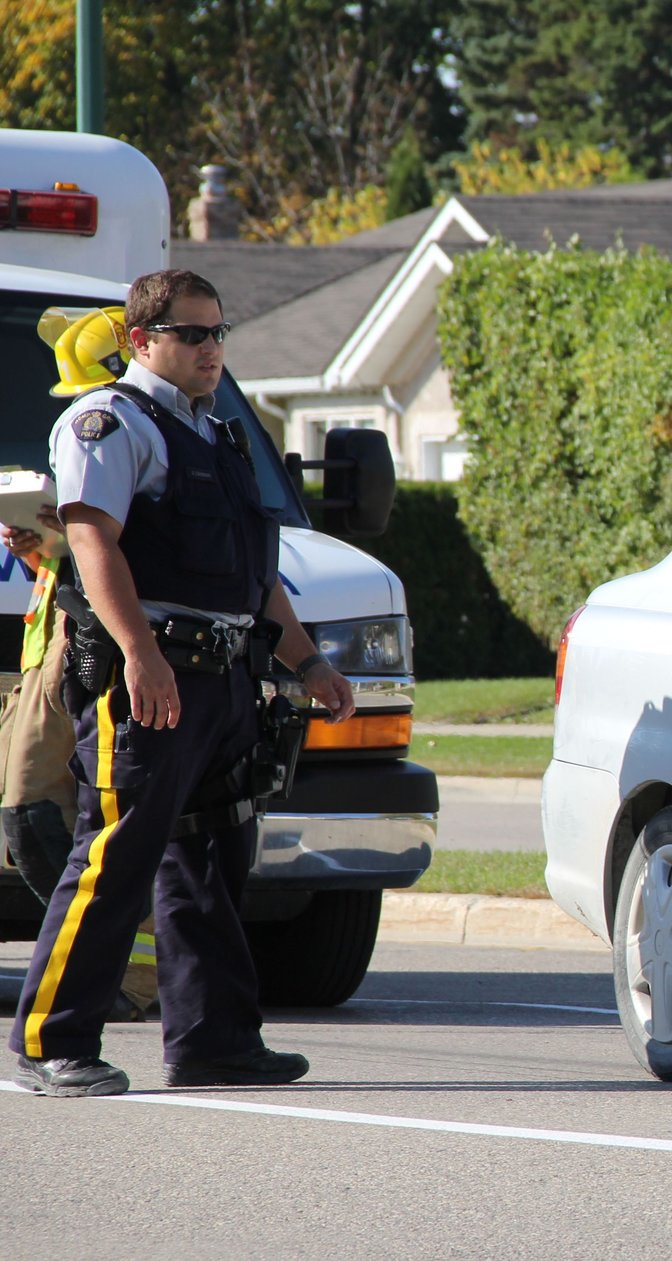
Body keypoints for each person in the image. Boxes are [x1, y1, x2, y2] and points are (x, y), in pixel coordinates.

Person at [9, 269, 355, 1098]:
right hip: (153, 674)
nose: (211, 349)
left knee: (211, 862)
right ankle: (52, 1040)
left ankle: (214, 1041)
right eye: (192, 334)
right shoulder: (108, 422)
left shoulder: (217, 431)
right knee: (115, 856)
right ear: (143, 340)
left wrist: (308, 662)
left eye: (219, 332)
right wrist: (139, 651)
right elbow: (92, 542)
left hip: (225, 677)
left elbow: (257, 574)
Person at [1, 308, 157, 1023]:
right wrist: (42, 544)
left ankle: (131, 979)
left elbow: (130, 547)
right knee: (40, 820)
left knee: (74, 822)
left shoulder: (146, 436)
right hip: (60, 645)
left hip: (99, 646)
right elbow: (88, 553)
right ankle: (105, 972)